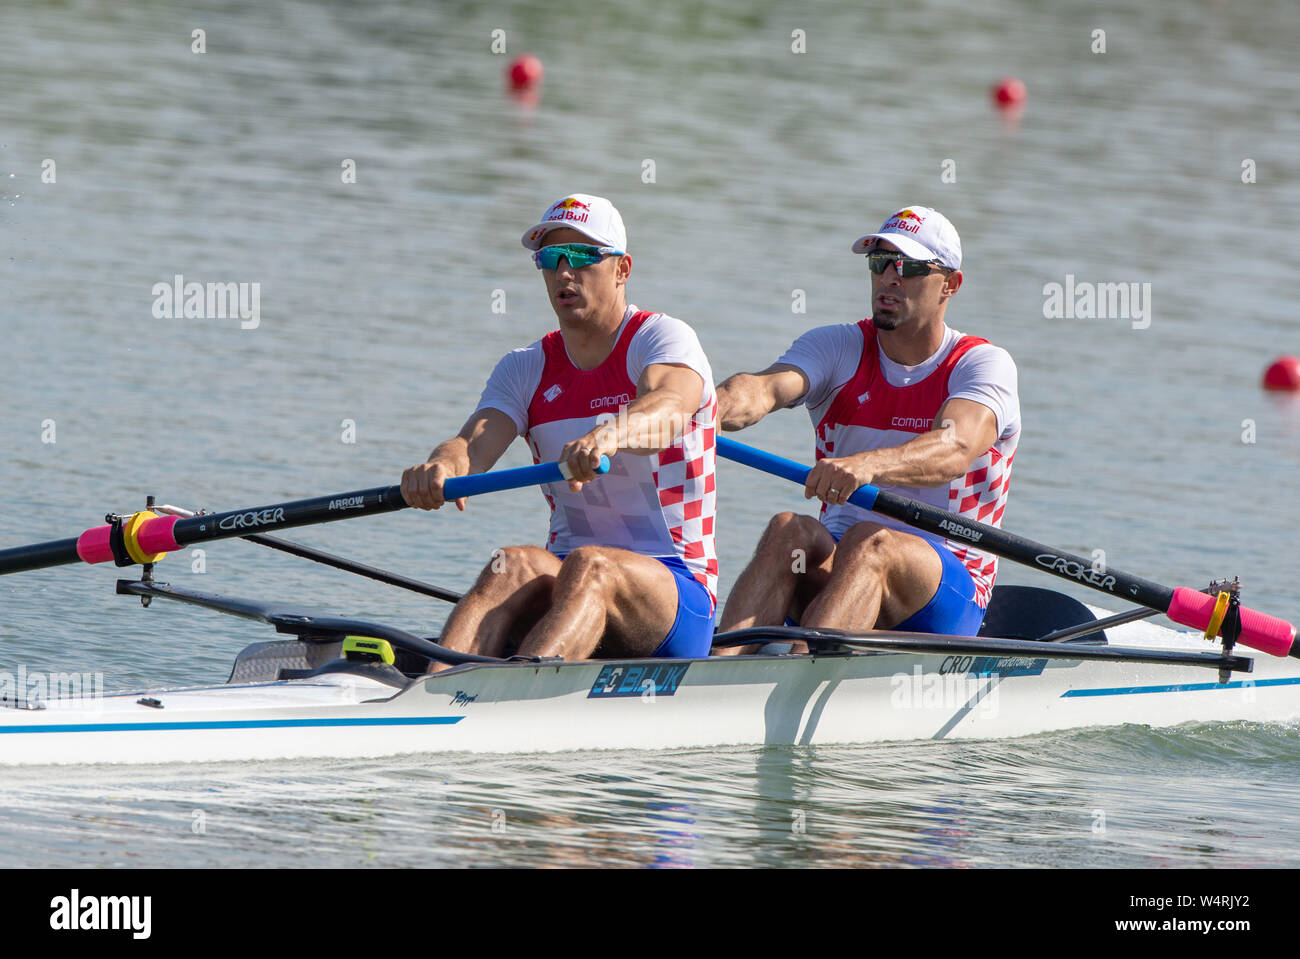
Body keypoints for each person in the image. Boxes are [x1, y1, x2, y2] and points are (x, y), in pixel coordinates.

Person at [401, 194, 718, 667]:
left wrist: (609, 435)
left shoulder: (663, 338)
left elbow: (668, 408)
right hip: (569, 577)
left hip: (677, 590)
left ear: (622, 269)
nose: (564, 272)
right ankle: (434, 689)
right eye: (550, 259)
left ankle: (515, 697)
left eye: (584, 257)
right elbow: (472, 443)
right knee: (512, 562)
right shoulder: (524, 368)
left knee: (593, 564)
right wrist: (442, 466)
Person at [713, 206, 1019, 649]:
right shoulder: (837, 346)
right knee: (788, 529)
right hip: (836, 570)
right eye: (879, 263)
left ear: (950, 284)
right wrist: (703, 413)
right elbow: (763, 389)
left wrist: (866, 466)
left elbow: (954, 449)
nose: (890, 278)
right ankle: (716, 669)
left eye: (909, 267)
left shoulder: (980, 364)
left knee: (871, 540)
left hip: (945, 591)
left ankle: (792, 675)